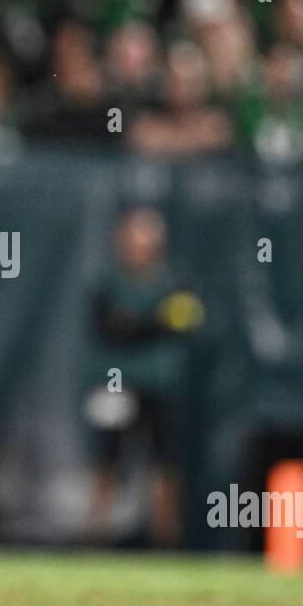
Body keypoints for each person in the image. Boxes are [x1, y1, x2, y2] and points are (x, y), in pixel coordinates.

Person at [83, 206, 203, 548]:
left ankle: (166, 544)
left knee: (165, 464)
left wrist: (141, 323)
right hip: (116, 383)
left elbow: (187, 320)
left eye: (148, 237)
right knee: (106, 462)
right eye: (135, 236)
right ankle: (94, 541)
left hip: (161, 385)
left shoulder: (175, 278)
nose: (141, 245)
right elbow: (111, 327)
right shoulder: (106, 279)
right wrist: (155, 322)